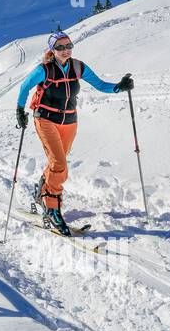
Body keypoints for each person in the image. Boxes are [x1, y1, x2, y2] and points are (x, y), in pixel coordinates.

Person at [15, 31, 132, 235]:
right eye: (60, 47)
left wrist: (119, 87)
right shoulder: (45, 69)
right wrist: (19, 110)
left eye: (68, 45)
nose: (65, 50)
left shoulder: (78, 66)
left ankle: (41, 192)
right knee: (59, 164)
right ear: (53, 50)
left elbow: (100, 85)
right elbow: (25, 87)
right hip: (45, 118)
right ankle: (51, 207)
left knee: (57, 162)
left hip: (69, 120)